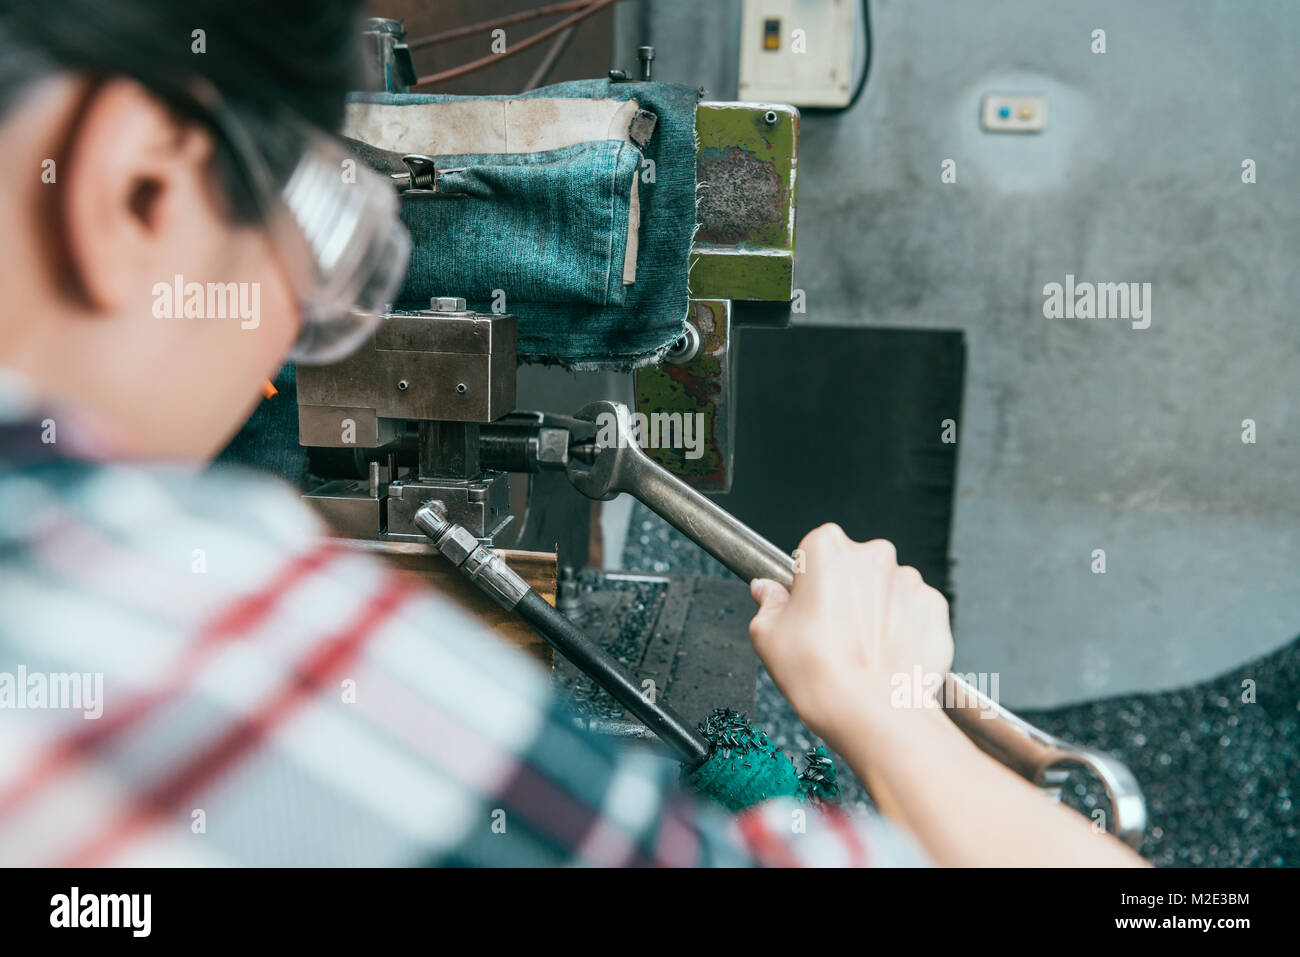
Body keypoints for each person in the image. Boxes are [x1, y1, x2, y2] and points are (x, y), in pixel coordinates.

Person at [0, 0, 1144, 867]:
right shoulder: (201, 636)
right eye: (301, 250)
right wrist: (895, 719)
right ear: (139, 186)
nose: (286, 343)